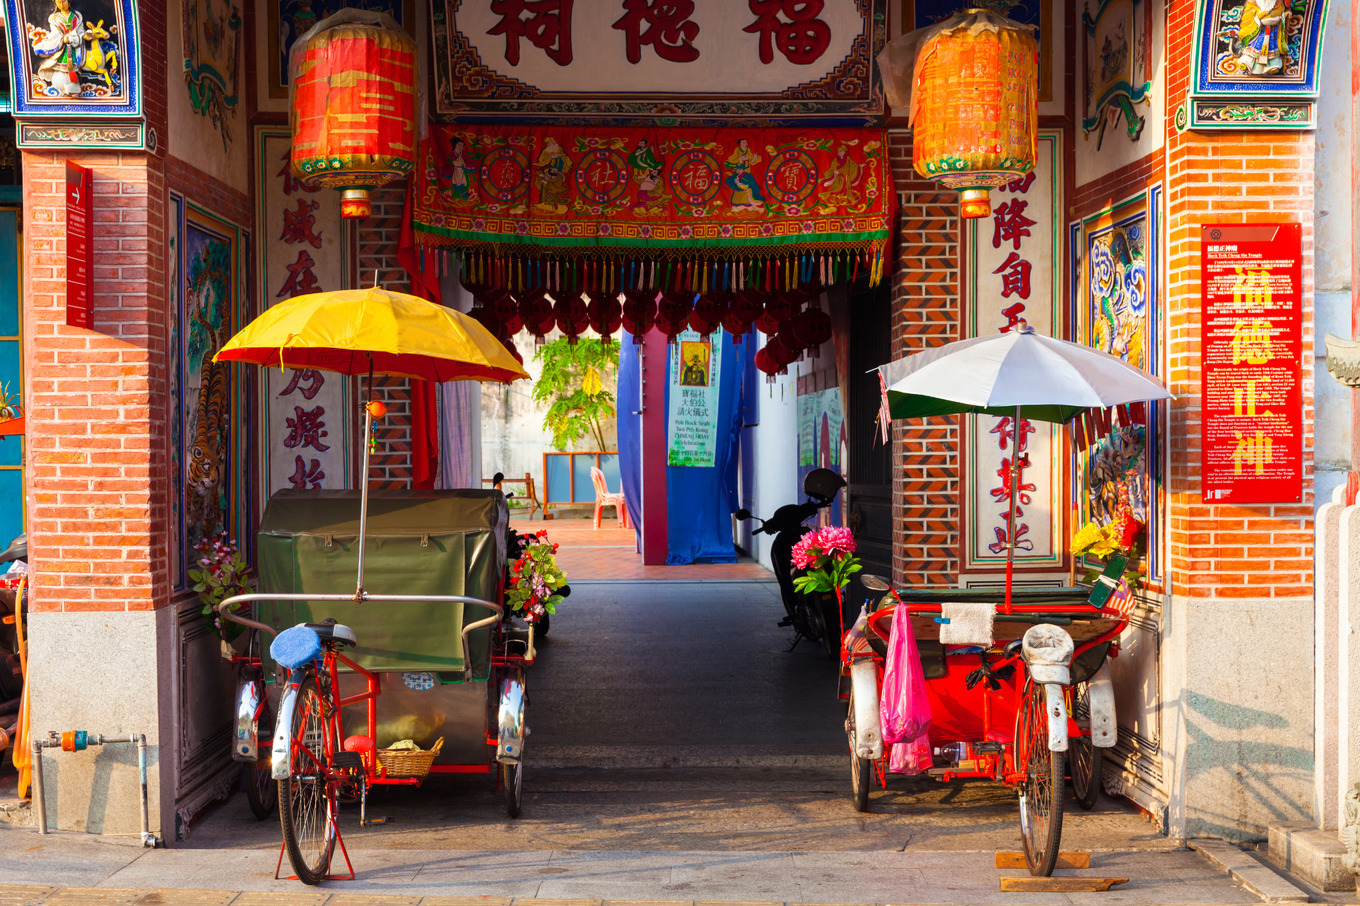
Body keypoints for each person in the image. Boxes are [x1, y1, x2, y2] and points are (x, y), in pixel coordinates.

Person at [32, 0, 87, 97]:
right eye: (58, 1)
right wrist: (62, 39)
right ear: (55, 4)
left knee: (71, 68)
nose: (61, 4)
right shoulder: (55, 19)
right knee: (61, 70)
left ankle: (72, 88)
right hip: (62, 48)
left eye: (64, 1)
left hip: (74, 47)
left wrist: (82, 36)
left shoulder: (76, 17)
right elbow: (54, 34)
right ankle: (66, 88)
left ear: (69, 2)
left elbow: (81, 31)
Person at [1235, 0, 1290, 75]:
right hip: (1259, 31)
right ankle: (1247, 62)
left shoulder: (1279, 3)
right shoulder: (1253, 3)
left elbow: (1282, 14)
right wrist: (1259, 15)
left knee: (1272, 49)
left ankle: (1273, 65)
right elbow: (1247, 17)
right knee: (1255, 47)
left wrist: (1285, 16)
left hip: (1273, 31)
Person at [724, 139, 765, 211]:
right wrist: (740, 160)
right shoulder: (737, 150)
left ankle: (750, 203)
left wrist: (754, 159)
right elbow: (732, 160)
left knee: (749, 184)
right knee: (738, 185)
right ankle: (737, 205)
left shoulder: (748, 150)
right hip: (739, 169)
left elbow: (751, 160)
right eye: (743, 142)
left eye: (746, 141)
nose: (745, 143)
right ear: (740, 144)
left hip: (747, 170)